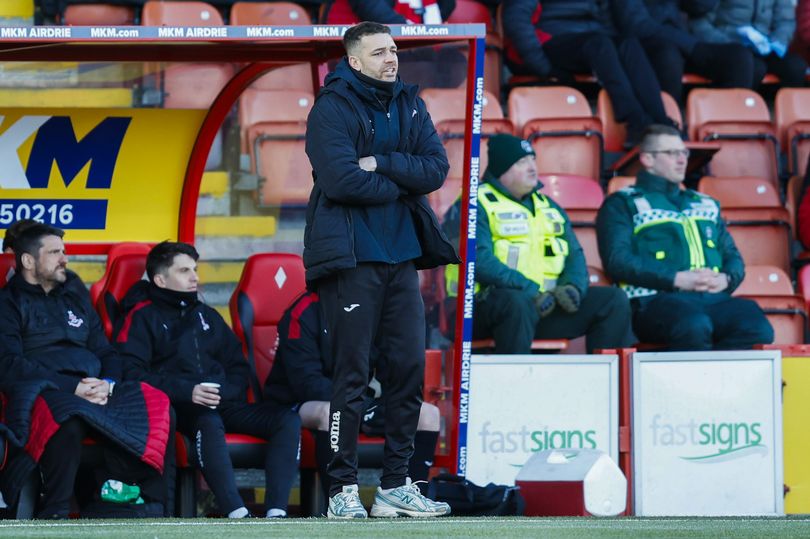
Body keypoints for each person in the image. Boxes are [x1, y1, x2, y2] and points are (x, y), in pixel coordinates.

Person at [304, 21, 458, 519]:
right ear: (354, 60)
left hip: (402, 256)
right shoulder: (331, 107)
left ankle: (397, 485)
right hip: (352, 258)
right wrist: (401, 180)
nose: (391, 59)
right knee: (351, 377)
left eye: (393, 50)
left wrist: (383, 162)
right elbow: (342, 180)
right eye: (379, 53)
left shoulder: (410, 102)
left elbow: (436, 168)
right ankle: (342, 491)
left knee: (409, 373)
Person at [114, 241, 301, 519]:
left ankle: (276, 513)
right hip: (178, 408)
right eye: (185, 270)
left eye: (196, 269)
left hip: (221, 402)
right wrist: (187, 391)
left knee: (287, 419)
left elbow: (238, 367)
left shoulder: (207, 315)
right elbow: (130, 372)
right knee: (208, 421)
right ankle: (237, 513)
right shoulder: (142, 317)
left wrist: (224, 392)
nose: (195, 277)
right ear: (160, 279)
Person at [0, 224, 172, 519]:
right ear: (28, 261)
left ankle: (153, 506)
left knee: (156, 402)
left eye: (64, 252)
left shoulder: (74, 295)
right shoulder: (8, 302)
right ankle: (56, 509)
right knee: (68, 417)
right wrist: (71, 387)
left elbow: (105, 350)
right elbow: (9, 364)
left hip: (94, 387)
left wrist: (108, 383)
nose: (64, 258)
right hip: (48, 389)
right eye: (55, 252)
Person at [443, 134, 635, 354]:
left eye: (532, 160)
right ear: (501, 170)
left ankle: (604, 383)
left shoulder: (549, 206)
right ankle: (515, 383)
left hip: (541, 306)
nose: (532, 167)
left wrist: (573, 287)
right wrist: (531, 291)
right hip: (476, 309)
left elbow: (575, 255)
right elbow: (478, 260)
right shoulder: (474, 203)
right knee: (516, 302)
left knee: (613, 300)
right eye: (521, 162)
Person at [596, 124, 775, 350]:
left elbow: (732, 256)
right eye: (672, 154)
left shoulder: (705, 203)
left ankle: (719, 382)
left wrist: (726, 279)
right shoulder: (622, 203)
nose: (682, 160)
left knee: (756, 326)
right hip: (651, 301)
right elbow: (617, 261)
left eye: (684, 153)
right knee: (693, 324)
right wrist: (676, 278)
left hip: (711, 298)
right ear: (647, 159)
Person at [265, 290, 442, 500]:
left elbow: (390, 366)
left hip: (357, 401)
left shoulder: (370, 307)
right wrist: (359, 405)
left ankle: (410, 498)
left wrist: (389, 398)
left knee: (428, 414)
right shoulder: (303, 311)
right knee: (329, 412)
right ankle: (340, 499)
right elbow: (307, 384)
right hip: (298, 404)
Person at [502, 0, 676, 145]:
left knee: (629, 44)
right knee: (601, 44)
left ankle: (662, 122)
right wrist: (545, 68)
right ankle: (636, 122)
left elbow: (605, 22)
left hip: (594, 41)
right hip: (550, 41)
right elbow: (516, 19)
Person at [634, 0, 755, 104]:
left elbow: (702, 5)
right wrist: (689, 44)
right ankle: (668, 126)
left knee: (738, 58)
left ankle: (723, 124)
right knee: (669, 57)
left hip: (684, 41)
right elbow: (637, 24)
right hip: (646, 46)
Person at [689, 0, 807, 88]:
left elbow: (785, 21)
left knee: (796, 67)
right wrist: (728, 42)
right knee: (754, 67)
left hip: (765, 46)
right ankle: (745, 114)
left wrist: (776, 42)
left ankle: (780, 117)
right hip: (729, 46)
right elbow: (700, 23)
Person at [322, 0, 455, 24]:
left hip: (410, 51)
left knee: (454, 60)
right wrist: (419, 31)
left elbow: (448, 5)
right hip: (354, 51)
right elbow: (374, 11)